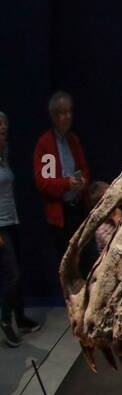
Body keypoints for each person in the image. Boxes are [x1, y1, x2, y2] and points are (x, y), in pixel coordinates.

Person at [33, 91, 90, 274]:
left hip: (78, 208)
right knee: (67, 264)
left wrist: (83, 181)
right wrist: (67, 184)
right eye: (62, 113)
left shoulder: (73, 140)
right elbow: (45, 183)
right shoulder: (46, 144)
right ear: (53, 116)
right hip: (61, 214)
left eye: (69, 112)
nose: (67, 117)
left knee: (84, 259)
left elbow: (83, 167)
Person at [0, 111, 42, 346]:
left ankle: (19, 316)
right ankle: (5, 320)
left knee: (18, 272)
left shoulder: (4, 155)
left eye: (5, 127)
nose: (2, 131)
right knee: (11, 273)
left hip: (11, 219)